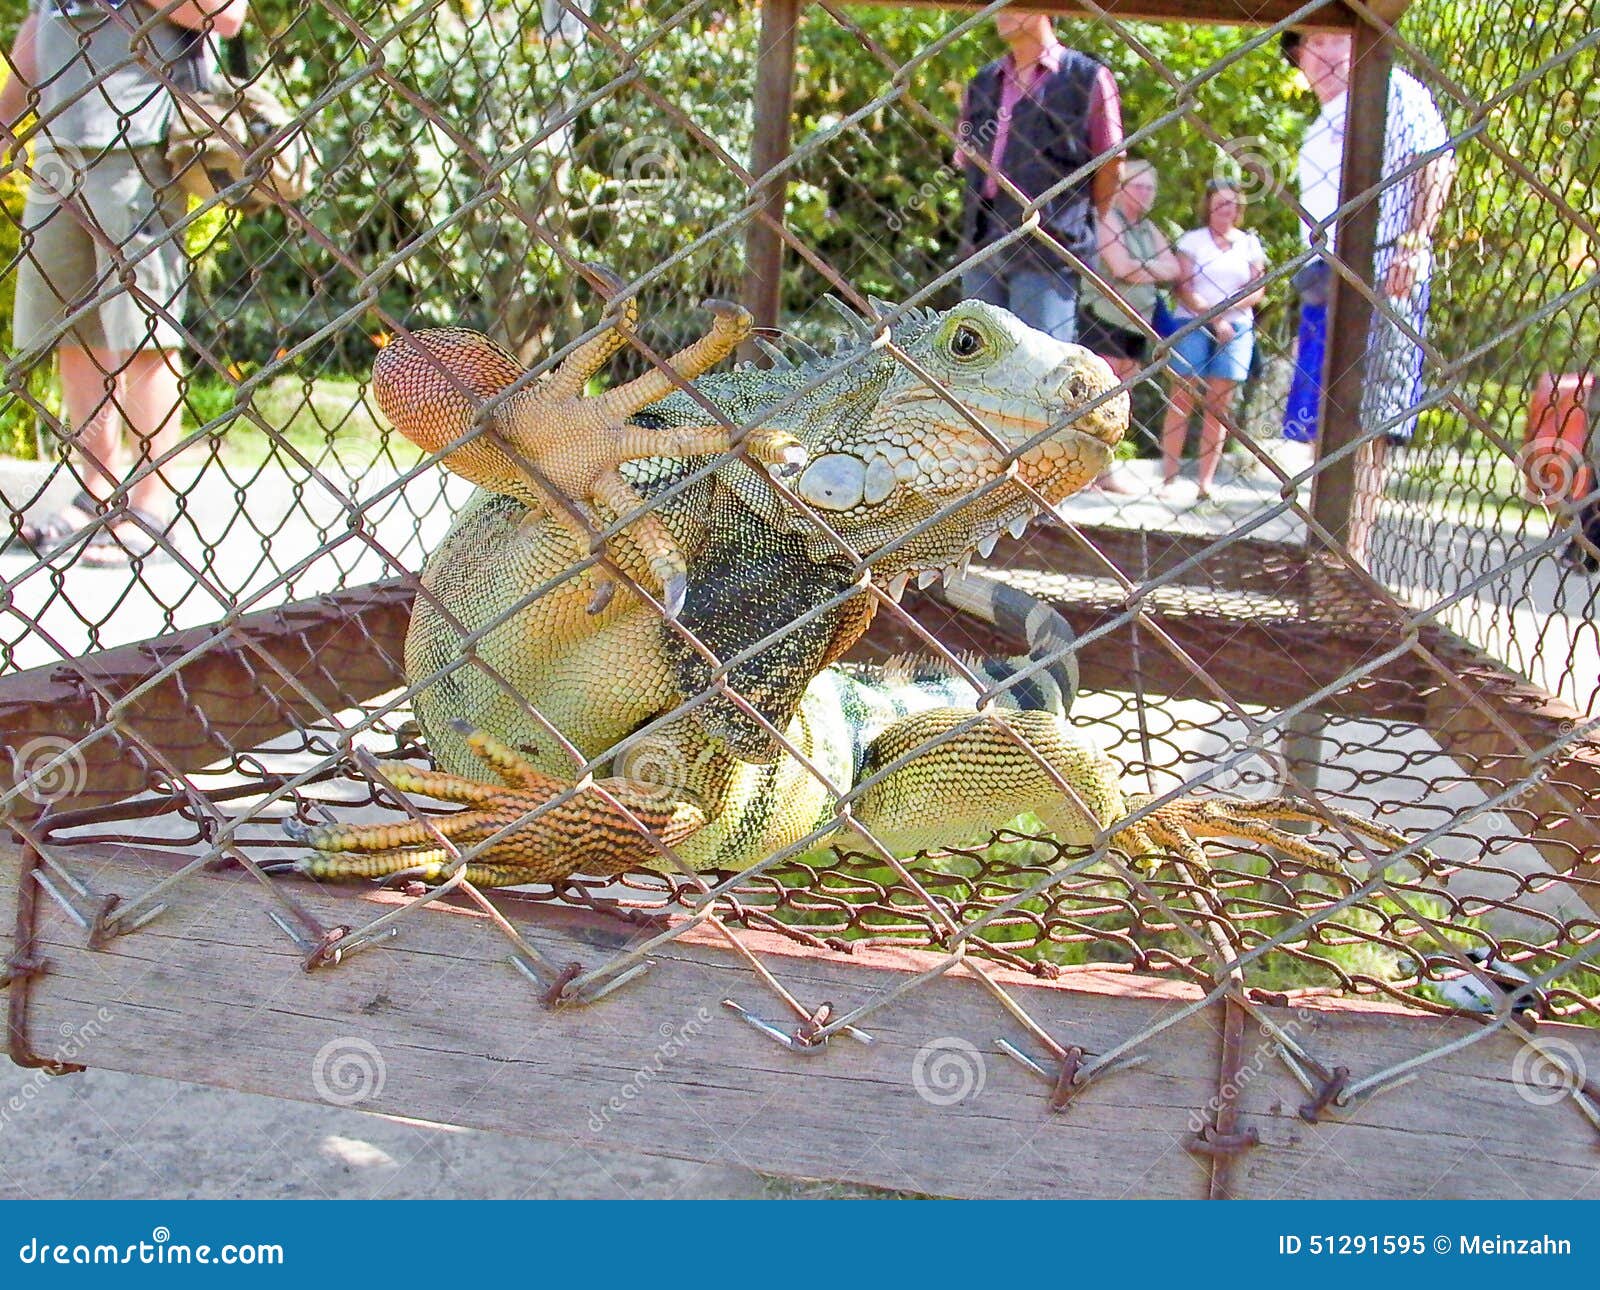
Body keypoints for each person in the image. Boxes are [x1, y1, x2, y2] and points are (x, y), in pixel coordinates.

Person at [0, 0, 248, 565]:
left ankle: (150, 505)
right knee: (74, 330)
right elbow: (41, 25)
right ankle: (96, 494)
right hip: (57, 148)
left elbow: (228, 16)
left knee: (142, 333)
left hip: (140, 144)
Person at [1279, 30, 1454, 558]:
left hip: (1383, 271)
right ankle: (1325, 546)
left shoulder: (1393, 92)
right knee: (1322, 422)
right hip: (1324, 278)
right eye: (1317, 44)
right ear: (1298, 58)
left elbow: (1436, 162)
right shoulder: (1318, 127)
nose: (1330, 54)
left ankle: (1347, 554)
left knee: (1370, 419)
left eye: (1338, 40)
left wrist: (1415, 242)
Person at [956, 8, 1123, 345]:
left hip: (1049, 247)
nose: (1000, 11)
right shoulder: (983, 81)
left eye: (1013, 3)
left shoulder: (1087, 77)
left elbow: (1111, 163)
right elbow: (965, 157)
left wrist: (1079, 222)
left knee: (1040, 366)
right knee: (974, 370)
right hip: (983, 240)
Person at [1159, 180, 1267, 501]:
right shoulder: (1192, 241)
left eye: (1231, 204)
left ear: (1239, 209)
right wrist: (1214, 317)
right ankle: (1168, 479)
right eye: (1219, 204)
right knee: (1183, 394)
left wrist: (1226, 313)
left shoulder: (1249, 245)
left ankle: (1205, 482)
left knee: (1219, 405)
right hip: (1193, 321)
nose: (1225, 210)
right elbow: (1184, 287)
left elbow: (1257, 290)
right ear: (1208, 206)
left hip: (1237, 328)